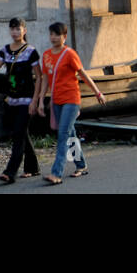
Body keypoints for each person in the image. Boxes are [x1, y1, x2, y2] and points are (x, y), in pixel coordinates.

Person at [31, 21, 104, 184]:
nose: (53, 37)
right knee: (69, 133)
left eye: (57, 34)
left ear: (64, 36)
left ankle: (56, 173)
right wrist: (41, 100)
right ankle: (81, 165)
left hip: (71, 100)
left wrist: (97, 92)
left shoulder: (70, 54)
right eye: (51, 34)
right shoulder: (47, 55)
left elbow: (83, 74)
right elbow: (45, 80)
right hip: (56, 101)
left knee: (63, 135)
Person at [0, 17, 42, 183]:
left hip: (27, 99)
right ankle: (33, 168)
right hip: (11, 99)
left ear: (24, 30)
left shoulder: (31, 51)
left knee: (18, 134)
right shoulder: (5, 50)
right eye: (12, 29)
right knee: (21, 133)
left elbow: (39, 77)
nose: (15, 32)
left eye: (18, 29)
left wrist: (35, 100)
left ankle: (10, 172)